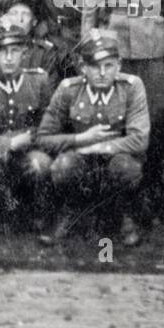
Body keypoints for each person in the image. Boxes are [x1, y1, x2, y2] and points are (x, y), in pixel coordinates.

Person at [35, 30, 149, 247]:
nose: (102, 72)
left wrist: (99, 146)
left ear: (119, 65)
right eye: (95, 66)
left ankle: (123, 217)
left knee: (126, 168)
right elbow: (43, 137)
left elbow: (139, 140)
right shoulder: (69, 89)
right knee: (63, 167)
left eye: (109, 65)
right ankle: (71, 214)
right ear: (83, 67)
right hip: (81, 158)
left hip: (118, 157)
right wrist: (79, 139)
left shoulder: (132, 87)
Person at [0, 19, 54, 230]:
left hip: (27, 151)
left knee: (40, 163)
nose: (8, 58)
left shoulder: (38, 81)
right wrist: (8, 143)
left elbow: (48, 125)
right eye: (2, 51)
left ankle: (34, 213)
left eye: (14, 51)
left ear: (24, 53)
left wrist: (28, 140)